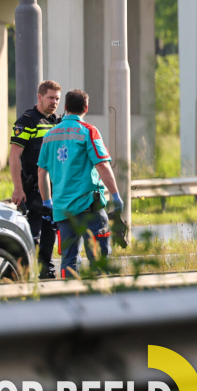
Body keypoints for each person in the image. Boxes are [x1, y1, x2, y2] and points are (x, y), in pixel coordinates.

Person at [37, 88, 122, 278]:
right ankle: (100, 300)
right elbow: (102, 165)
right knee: (98, 257)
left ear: (65, 107)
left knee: (68, 260)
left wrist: (47, 202)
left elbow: (41, 171)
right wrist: (115, 195)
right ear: (86, 107)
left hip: (62, 208)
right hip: (89, 207)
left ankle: (69, 299)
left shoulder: (50, 135)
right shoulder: (88, 131)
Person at [8, 79, 61, 279]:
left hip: (52, 187)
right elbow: (14, 156)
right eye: (50, 98)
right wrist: (18, 188)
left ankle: (45, 268)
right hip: (31, 187)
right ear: (39, 97)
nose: (54, 102)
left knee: (50, 230)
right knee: (33, 232)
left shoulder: (56, 121)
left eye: (57, 98)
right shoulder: (27, 121)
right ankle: (23, 271)